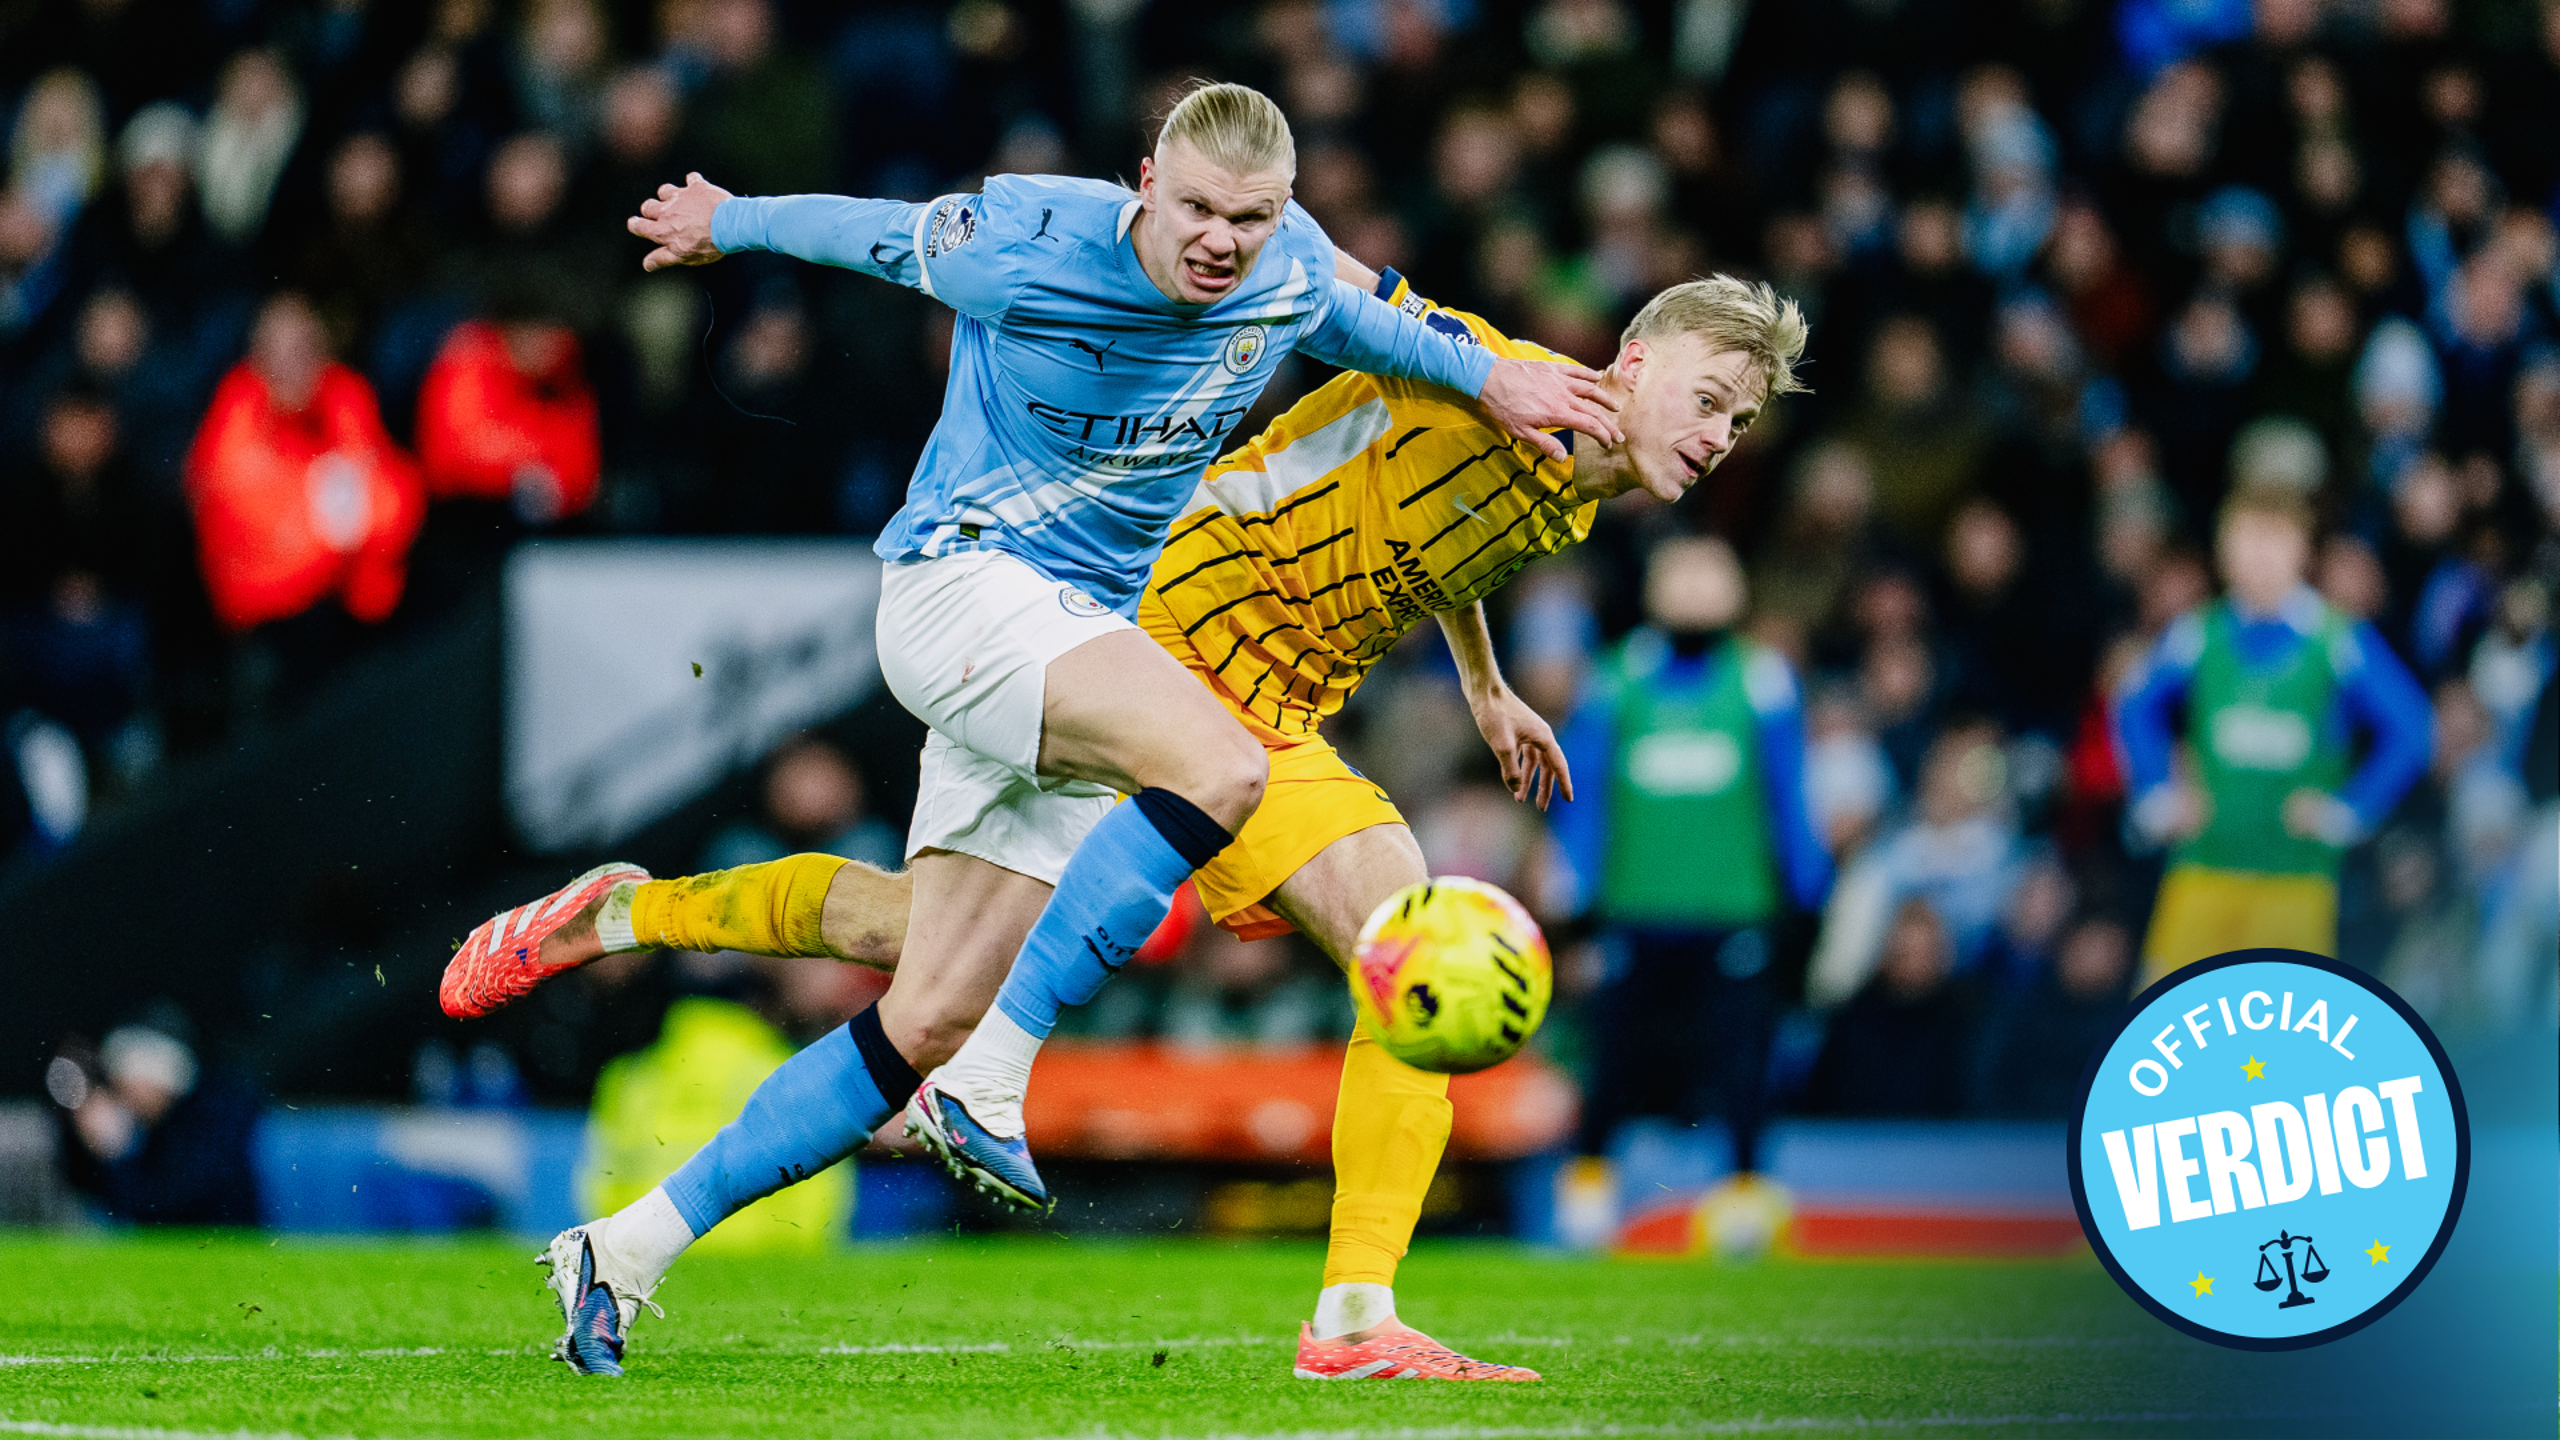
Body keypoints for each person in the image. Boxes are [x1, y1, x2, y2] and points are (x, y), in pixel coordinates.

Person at [438, 81, 1617, 1377]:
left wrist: (1499, 379)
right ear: (1148, 182)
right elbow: (878, 234)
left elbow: (1386, 332)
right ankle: (995, 1082)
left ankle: (625, 1235)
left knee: (921, 998)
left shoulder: (1286, 268)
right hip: (962, 587)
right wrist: (735, 218)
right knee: (1220, 759)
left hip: (1071, 637)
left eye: (1254, 215)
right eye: (1200, 210)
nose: (1223, 241)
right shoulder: (1031, 239)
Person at [1549, 534, 1831, 1248]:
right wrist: (1572, 884)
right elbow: (1584, 796)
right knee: (1613, 1058)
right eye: (1683, 576)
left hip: (1733, 907)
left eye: (1713, 575)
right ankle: (1588, 1184)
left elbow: (1788, 792)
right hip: (1634, 908)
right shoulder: (1615, 680)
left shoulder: (1763, 680)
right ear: (1654, 589)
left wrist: (1808, 886)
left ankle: (1743, 1191)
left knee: (1738, 1060)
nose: (1697, 591)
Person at [2114, 487, 2434, 984]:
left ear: (2302, 550)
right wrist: (2156, 790)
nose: (2259, 557)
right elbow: (2134, 708)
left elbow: (2413, 727)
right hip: (2202, 870)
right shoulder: (2199, 633)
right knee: (2163, 1031)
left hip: (2296, 881)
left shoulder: (2336, 639)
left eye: (2275, 540)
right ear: (2223, 550)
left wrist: (2351, 809)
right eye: (2245, 540)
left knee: (2277, 1051)